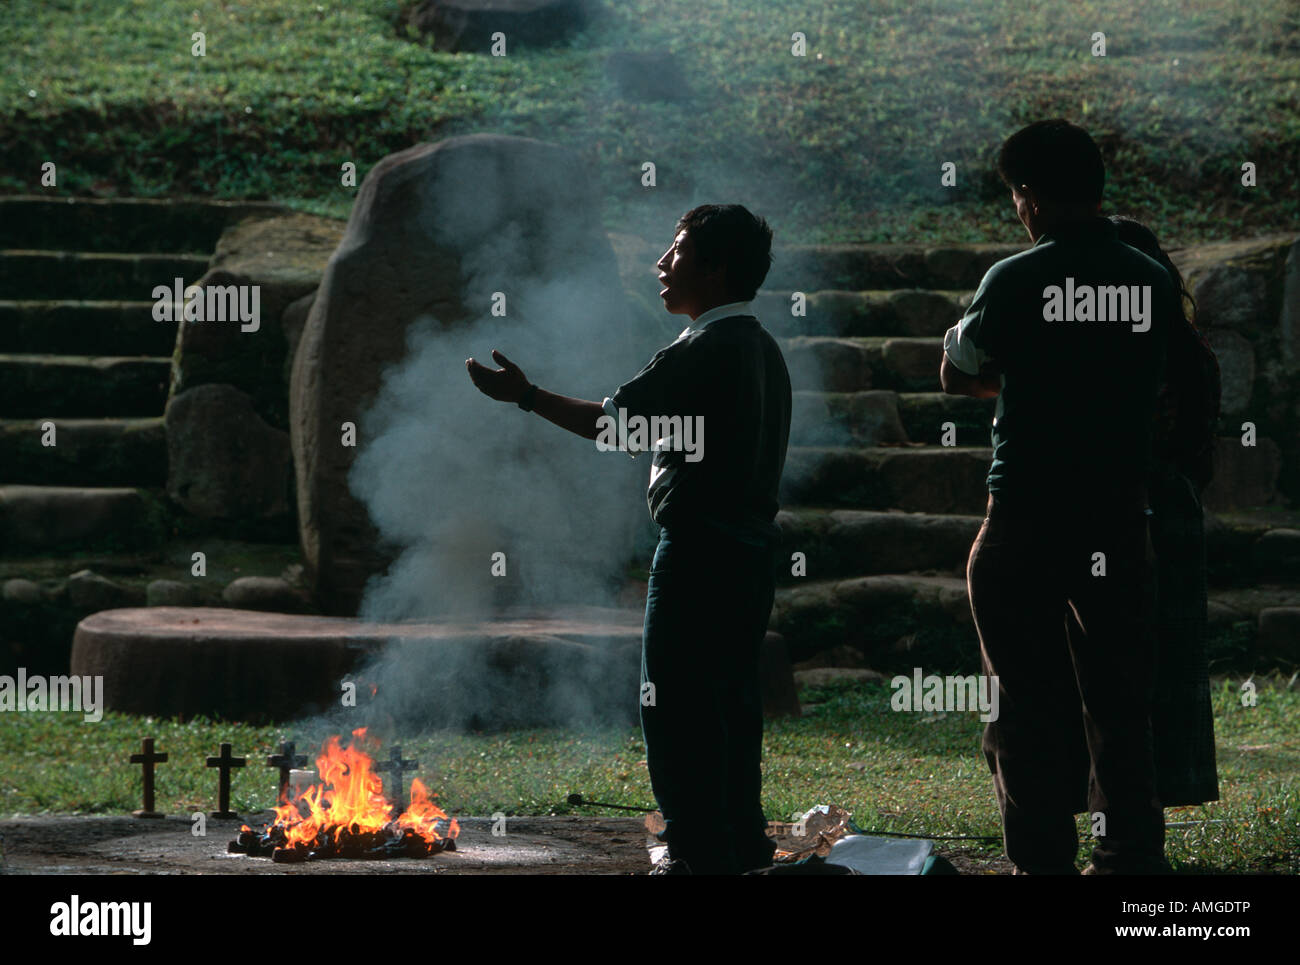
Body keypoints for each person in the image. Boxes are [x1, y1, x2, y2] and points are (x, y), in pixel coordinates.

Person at [466, 203, 791, 874]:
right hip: (751, 551)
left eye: (677, 253)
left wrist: (528, 397)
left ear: (716, 268)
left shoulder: (703, 347)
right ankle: (739, 839)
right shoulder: (761, 347)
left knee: (673, 702)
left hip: (699, 549)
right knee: (731, 699)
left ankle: (697, 848)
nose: (662, 265)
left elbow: (613, 426)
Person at [940, 119, 1180, 874]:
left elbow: (959, 369)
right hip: (1118, 517)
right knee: (1121, 705)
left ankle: (1041, 861)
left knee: (1025, 704)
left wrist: (1022, 376)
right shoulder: (1149, 279)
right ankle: (1130, 858)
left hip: (1024, 521)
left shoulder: (1014, 278)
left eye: (1017, 195)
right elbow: (1165, 380)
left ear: (1031, 197)